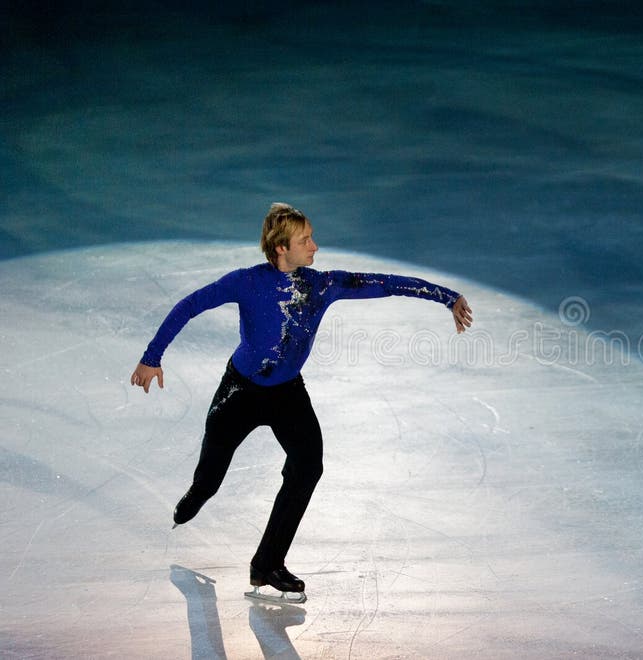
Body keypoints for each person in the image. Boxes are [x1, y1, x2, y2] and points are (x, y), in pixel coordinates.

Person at [130, 202, 473, 596]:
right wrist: (151, 357)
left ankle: (268, 564)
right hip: (239, 392)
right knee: (209, 482)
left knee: (308, 466)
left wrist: (448, 297)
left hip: (287, 394)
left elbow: (384, 282)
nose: (315, 246)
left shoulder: (321, 285)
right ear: (281, 249)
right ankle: (196, 495)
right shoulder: (245, 282)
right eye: (305, 240)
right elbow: (190, 305)